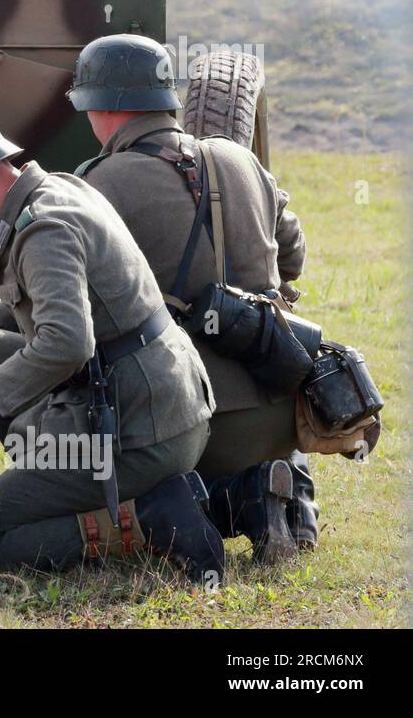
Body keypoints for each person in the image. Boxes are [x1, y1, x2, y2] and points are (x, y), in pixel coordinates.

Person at [0, 107, 223, 582]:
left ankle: (149, 519)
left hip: (139, 435)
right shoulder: (57, 189)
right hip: (161, 404)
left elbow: (66, 342)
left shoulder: (43, 228)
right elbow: (40, 304)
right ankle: (222, 497)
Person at [67, 33, 315, 561]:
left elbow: (70, 306)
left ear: (98, 106)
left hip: (185, 426)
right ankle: (287, 499)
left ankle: (239, 500)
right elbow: (291, 256)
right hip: (279, 411)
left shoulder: (96, 185)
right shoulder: (242, 161)